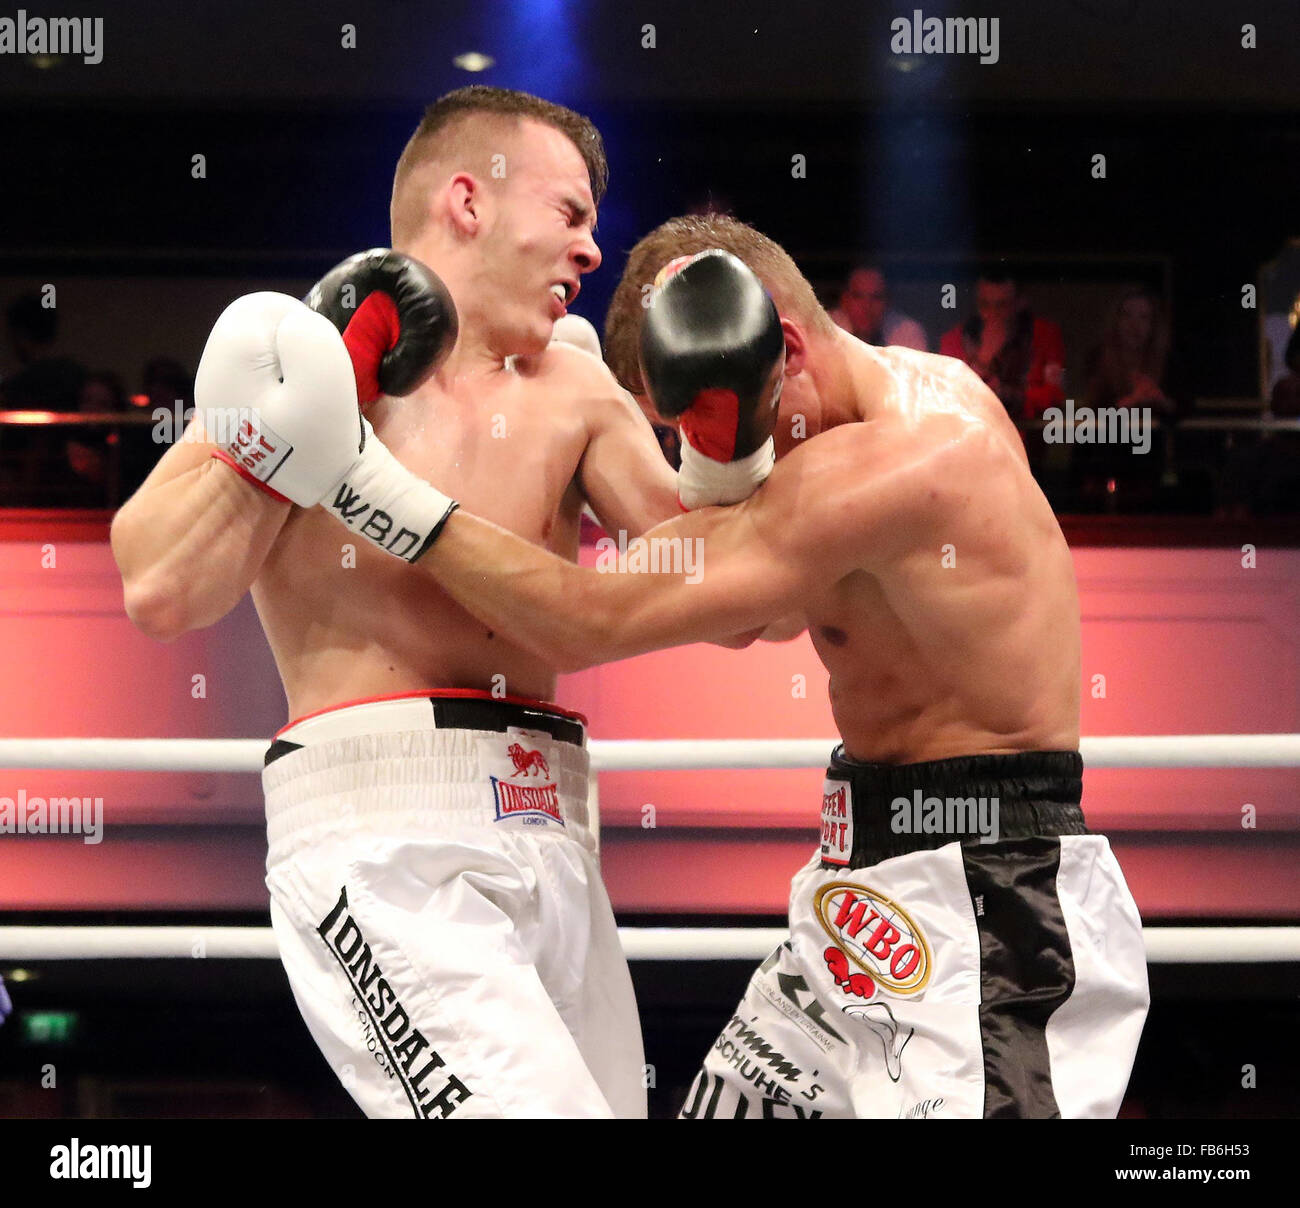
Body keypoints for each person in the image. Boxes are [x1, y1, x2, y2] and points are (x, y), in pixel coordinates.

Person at [227, 212, 1147, 1118]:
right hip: (860, 880)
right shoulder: (885, 402)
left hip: (989, 903)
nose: (709, 457)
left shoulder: (892, 466)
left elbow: (584, 623)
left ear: (782, 344)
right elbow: (765, 603)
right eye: (682, 432)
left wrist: (364, 481)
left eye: (710, 422)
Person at [112, 86, 694, 1119]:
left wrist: (735, 448)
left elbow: (729, 592)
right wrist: (308, 409)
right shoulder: (304, 359)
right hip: (382, 828)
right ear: (468, 201)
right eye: (570, 214)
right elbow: (160, 585)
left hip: (552, 815)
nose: (594, 251)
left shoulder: (575, 390)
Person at [940, 269, 1065, 427]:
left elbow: (1054, 396)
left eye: (1001, 306)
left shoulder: (1044, 336)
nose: (992, 314)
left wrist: (1013, 396)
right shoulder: (955, 339)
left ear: (1020, 303)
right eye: (985, 305)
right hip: (973, 438)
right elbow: (947, 396)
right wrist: (983, 360)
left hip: (1024, 441)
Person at [829, 264, 927, 351]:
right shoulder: (824, 327)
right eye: (858, 296)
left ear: (888, 302)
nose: (867, 306)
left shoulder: (907, 332)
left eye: (876, 297)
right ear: (844, 300)